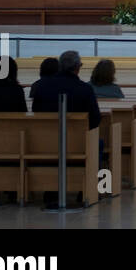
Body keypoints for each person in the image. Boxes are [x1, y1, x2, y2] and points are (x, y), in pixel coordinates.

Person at [30, 51, 101, 208]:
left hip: (44, 146)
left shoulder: (41, 87)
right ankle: (92, 190)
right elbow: (95, 120)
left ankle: (50, 192)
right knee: (99, 143)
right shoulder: (85, 89)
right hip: (79, 144)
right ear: (78, 67)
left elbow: (37, 113)